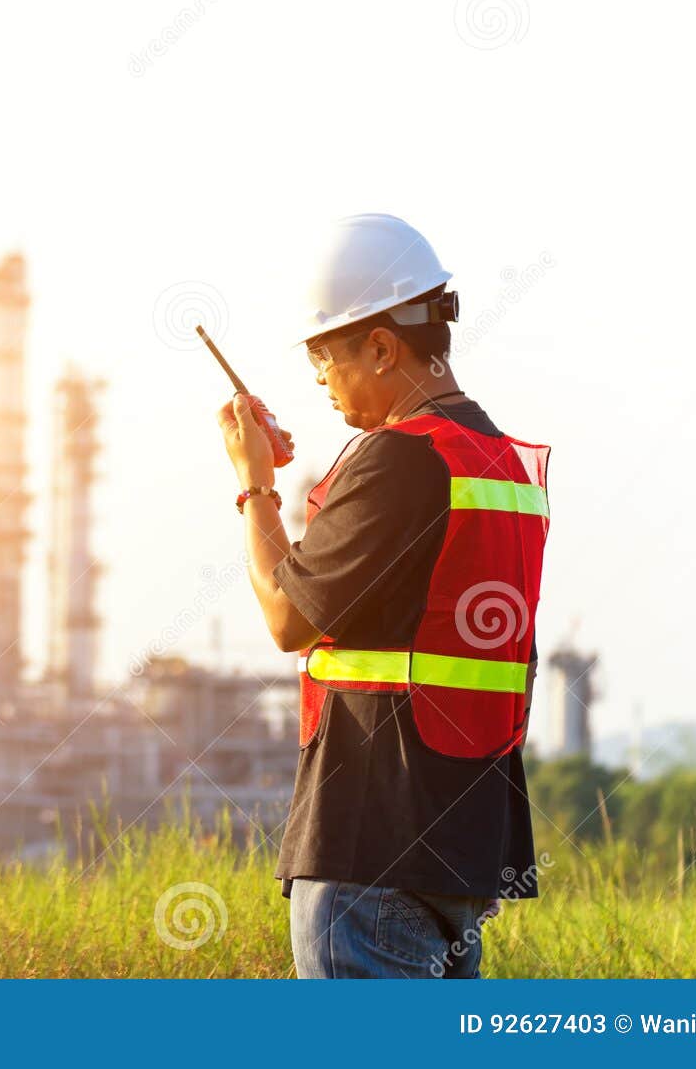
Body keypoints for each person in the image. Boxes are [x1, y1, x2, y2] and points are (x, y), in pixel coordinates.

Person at [215, 213, 550, 978]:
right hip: (460, 855)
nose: (321, 380)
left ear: (380, 346)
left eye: (325, 357)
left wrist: (255, 485)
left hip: (369, 853)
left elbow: (287, 618)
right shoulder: (503, 467)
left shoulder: (400, 459)